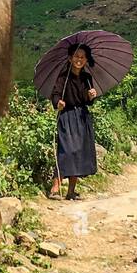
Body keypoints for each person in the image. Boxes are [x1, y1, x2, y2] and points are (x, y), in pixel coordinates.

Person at [48, 44, 99, 199]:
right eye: (76, 56)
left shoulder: (87, 78)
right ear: (70, 58)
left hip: (82, 117)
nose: (79, 59)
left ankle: (71, 191)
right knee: (66, 150)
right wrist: (58, 103)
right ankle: (55, 188)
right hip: (67, 116)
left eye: (82, 57)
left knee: (79, 151)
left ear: (86, 60)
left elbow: (87, 101)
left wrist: (91, 96)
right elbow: (55, 95)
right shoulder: (63, 77)